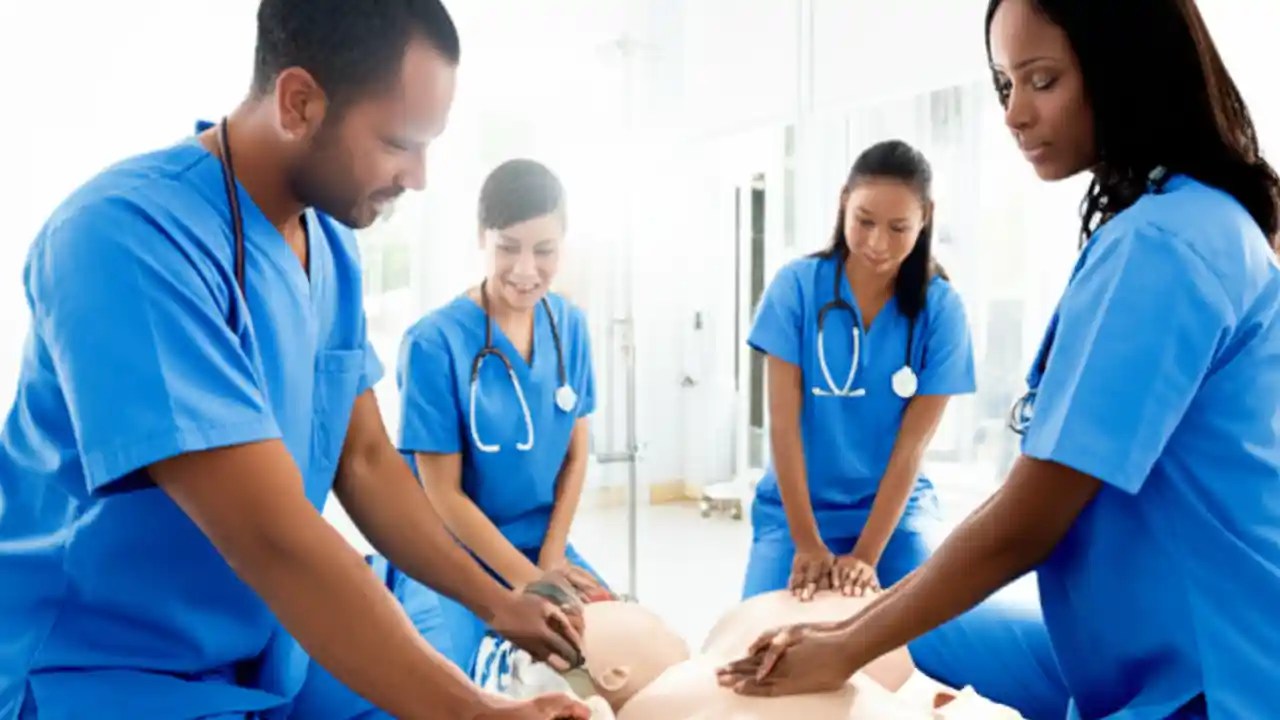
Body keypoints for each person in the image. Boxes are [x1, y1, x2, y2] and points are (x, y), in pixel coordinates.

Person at [0, 2, 590, 719]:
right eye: (399, 143)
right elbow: (273, 538)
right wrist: (473, 711)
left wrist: (499, 600)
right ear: (299, 102)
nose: (418, 177)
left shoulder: (329, 245)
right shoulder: (124, 239)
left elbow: (365, 461)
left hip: (268, 643)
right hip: (102, 667)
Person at [720, 0, 1280, 718]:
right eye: (1005, 85)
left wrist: (843, 645)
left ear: (1123, 68)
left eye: (1042, 81)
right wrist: (845, 630)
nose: (1014, 114)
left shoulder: (1160, 247)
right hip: (1157, 635)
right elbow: (1033, 487)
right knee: (845, 623)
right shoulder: (1189, 220)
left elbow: (1028, 519)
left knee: (857, 633)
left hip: (1206, 677)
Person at [741, 140, 1067, 718]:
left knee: (927, 639)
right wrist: (809, 542)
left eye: (898, 228)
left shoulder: (940, 309)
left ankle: (1085, 684)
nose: (877, 243)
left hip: (892, 515)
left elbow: (911, 449)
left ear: (926, 220)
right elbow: (784, 430)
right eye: (864, 221)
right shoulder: (796, 288)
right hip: (797, 512)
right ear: (843, 204)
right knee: (760, 647)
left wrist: (867, 553)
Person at [290, 158, 607, 717]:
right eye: (508, 247)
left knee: (605, 657)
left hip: (542, 547)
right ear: (482, 237)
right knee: (460, 689)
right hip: (452, 556)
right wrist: (529, 584)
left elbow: (577, 454)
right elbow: (443, 496)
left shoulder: (569, 326)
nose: (526, 269)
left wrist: (552, 559)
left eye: (544, 250)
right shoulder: (434, 343)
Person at [477, 589, 1027, 719]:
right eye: (617, 607)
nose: (621, 598)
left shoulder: (712, 653)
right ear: (613, 674)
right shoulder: (659, 702)